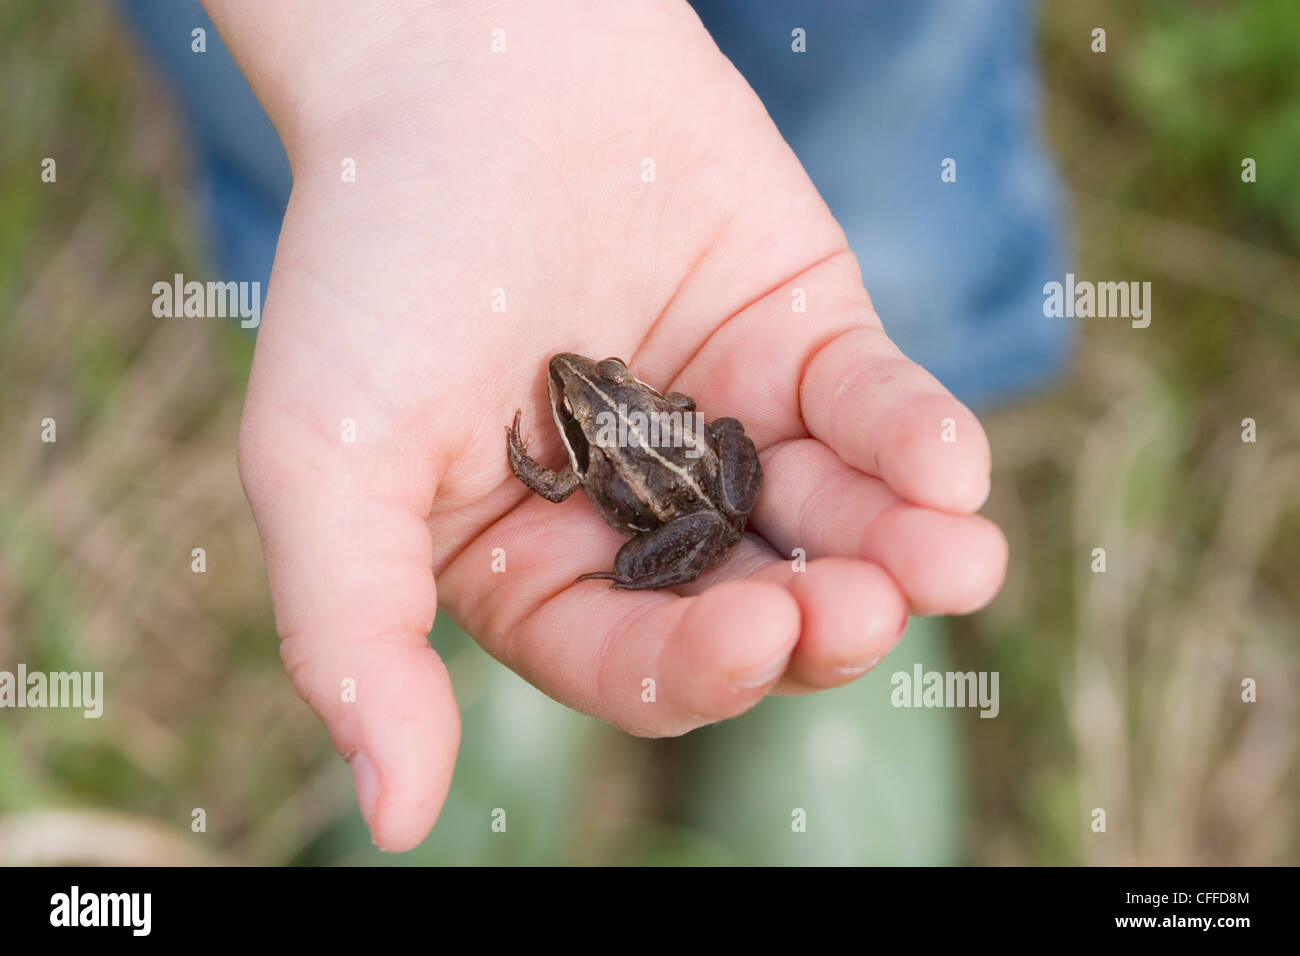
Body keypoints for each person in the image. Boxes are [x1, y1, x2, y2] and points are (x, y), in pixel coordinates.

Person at [119, 0, 1067, 856]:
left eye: (594, 387)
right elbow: (691, 425)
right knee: (266, 111)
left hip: (677, 505)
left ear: (615, 390)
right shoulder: (649, 408)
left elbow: (559, 481)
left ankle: (807, 595)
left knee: (879, 115)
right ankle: (497, 606)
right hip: (707, 476)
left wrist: (527, 462)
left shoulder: (583, 463)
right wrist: (392, 59)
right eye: (587, 394)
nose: (580, 384)